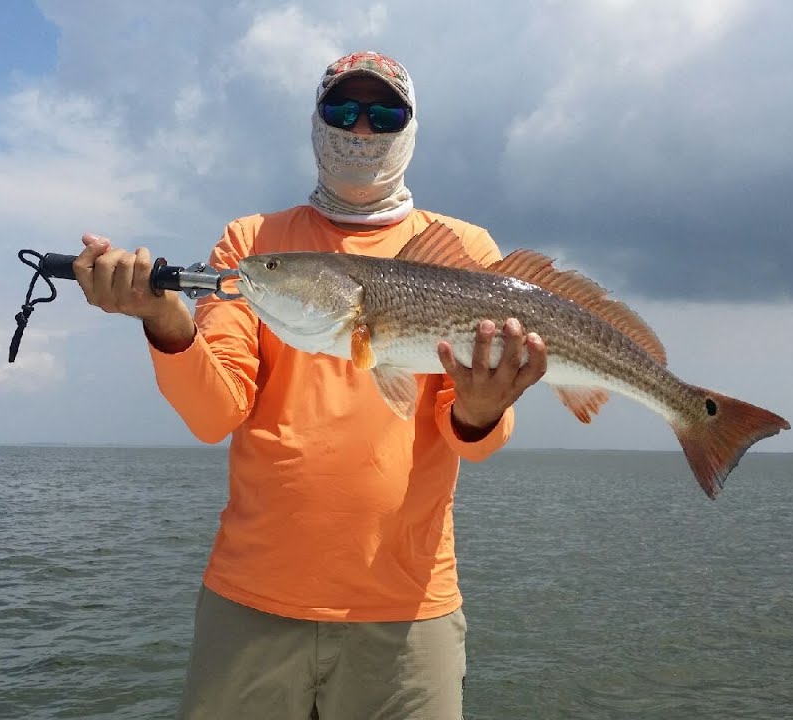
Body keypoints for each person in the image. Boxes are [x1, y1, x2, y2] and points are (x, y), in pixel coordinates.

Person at [72, 50, 548, 720]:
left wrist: (481, 409)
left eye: (384, 114)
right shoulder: (251, 244)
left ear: (411, 127)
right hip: (252, 601)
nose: (361, 128)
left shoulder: (463, 249)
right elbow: (214, 413)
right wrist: (166, 322)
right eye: (342, 110)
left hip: (407, 609)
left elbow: (477, 440)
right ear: (316, 121)